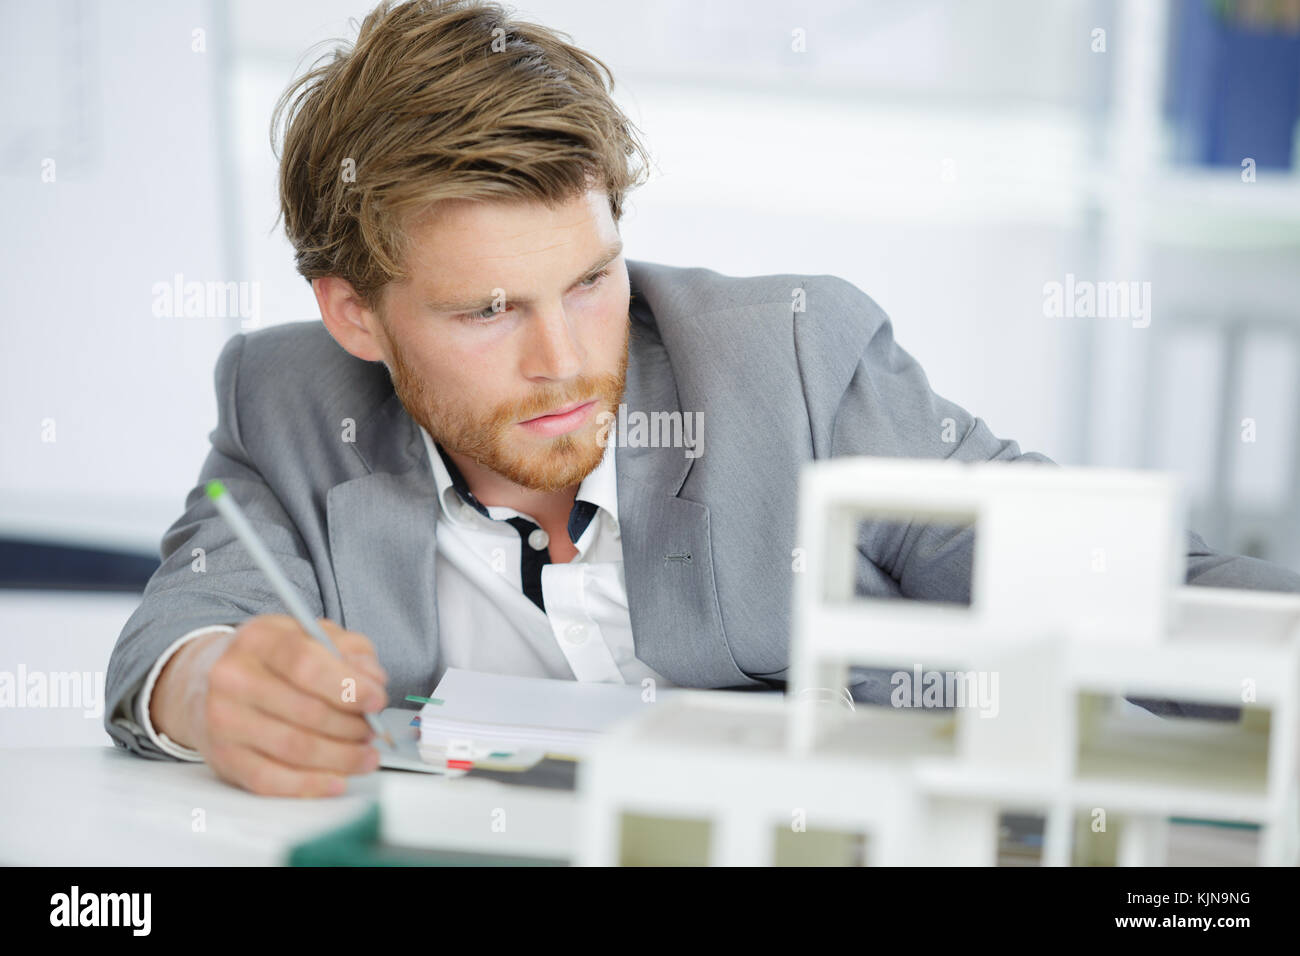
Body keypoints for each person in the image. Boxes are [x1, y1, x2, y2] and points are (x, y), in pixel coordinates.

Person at [104, 0, 1300, 796]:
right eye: (485, 312)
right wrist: (216, 690)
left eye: (589, 281)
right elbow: (180, 625)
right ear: (354, 314)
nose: (564, 358)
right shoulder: (287, 399)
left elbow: (1108, 573)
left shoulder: (783, 356)